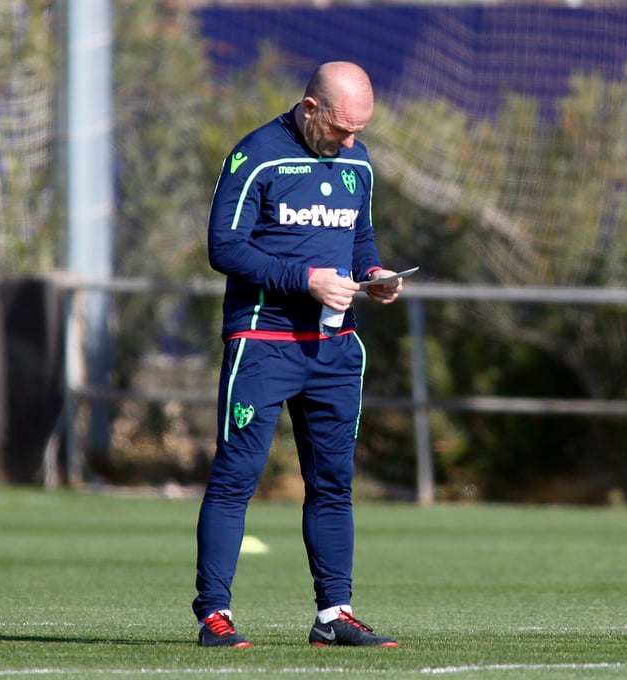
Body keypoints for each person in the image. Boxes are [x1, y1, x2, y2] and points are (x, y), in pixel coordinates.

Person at [193, 61, 403, 649]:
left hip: (335, 349)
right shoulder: (256, 156)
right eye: (340, 128)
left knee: (333, 485)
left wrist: (376, 274)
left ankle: (334, 615)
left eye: (359, 130)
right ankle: (214, 614)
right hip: (262, 343)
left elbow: (360, 239)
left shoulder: (357, 162)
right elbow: (224, 248)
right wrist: (304, 279)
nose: (350, 141)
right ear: (310, 109)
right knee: (236, 479)